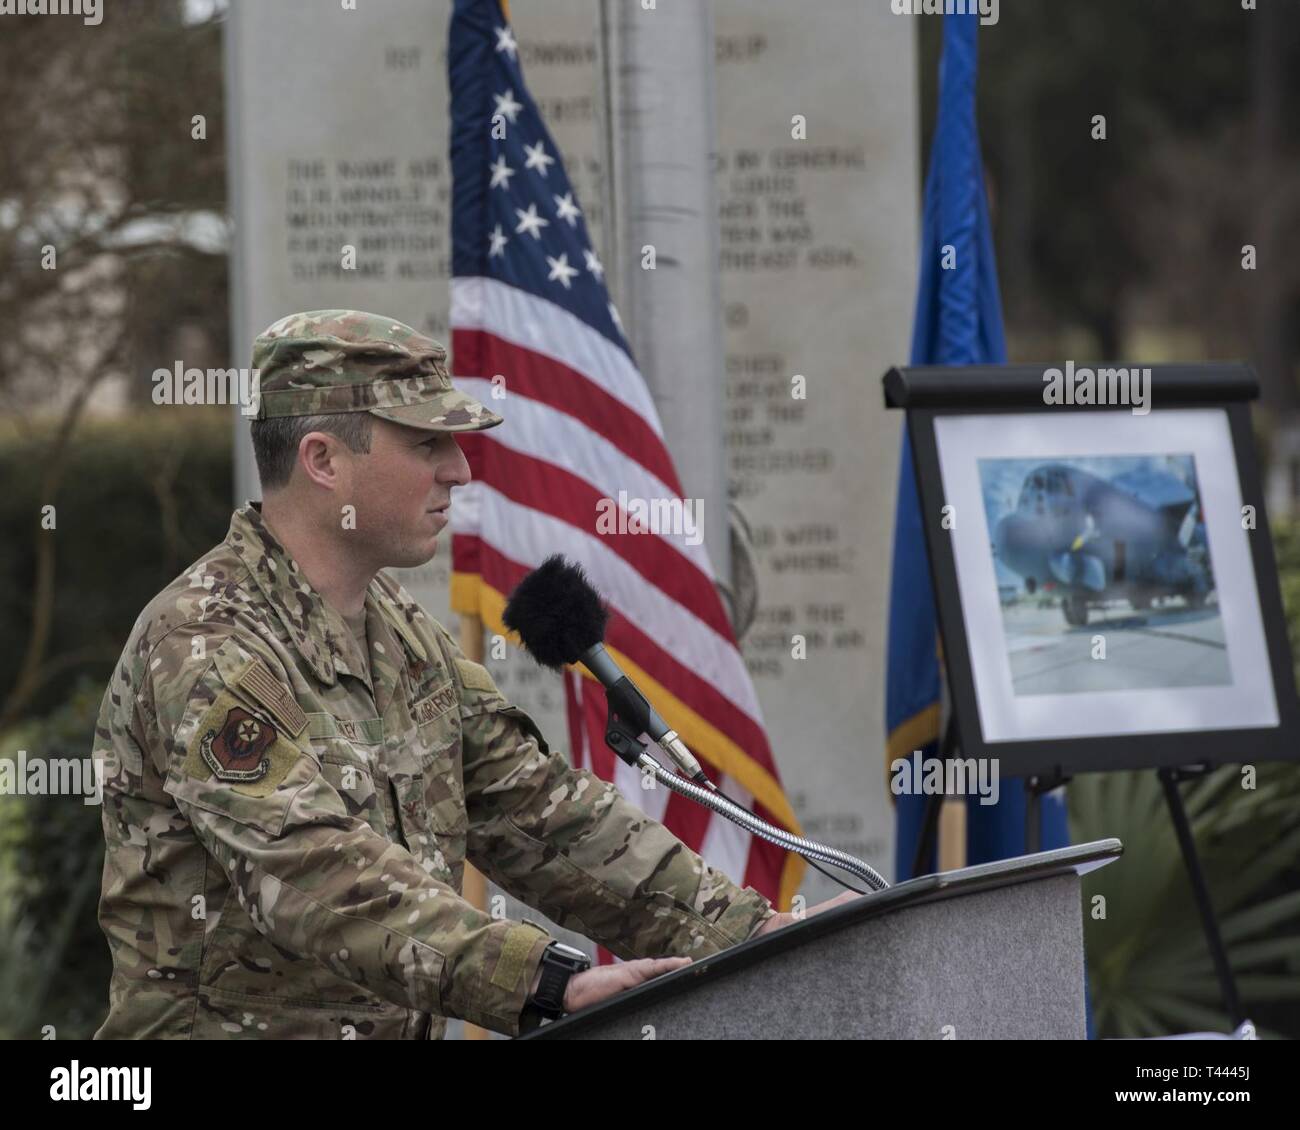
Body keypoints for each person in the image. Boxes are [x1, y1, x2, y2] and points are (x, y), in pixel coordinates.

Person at [93, 309, 852, 1040]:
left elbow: (542, 816)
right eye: (426, 443)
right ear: (322, 460)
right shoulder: (203, 639)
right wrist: (540, 980)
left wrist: (753, 935)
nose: (458, 470)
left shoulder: (400, 634)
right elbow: (309, 872)